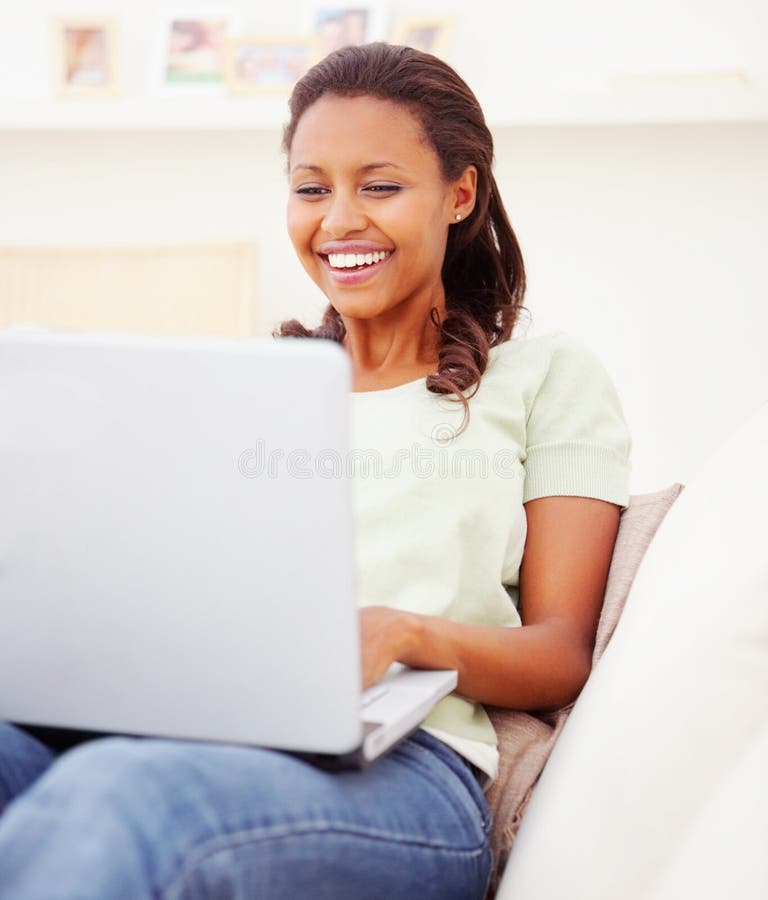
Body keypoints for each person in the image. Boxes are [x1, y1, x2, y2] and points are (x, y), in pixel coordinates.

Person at [0, 42, 631, 899]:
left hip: (408, 768)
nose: (339, 221)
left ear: (460, 193)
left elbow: (561, 653)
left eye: (380, 186)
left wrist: (404, 635)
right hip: (207, 729)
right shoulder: (246, 386)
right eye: (311, 188)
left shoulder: (546, 375)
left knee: (132, 800)